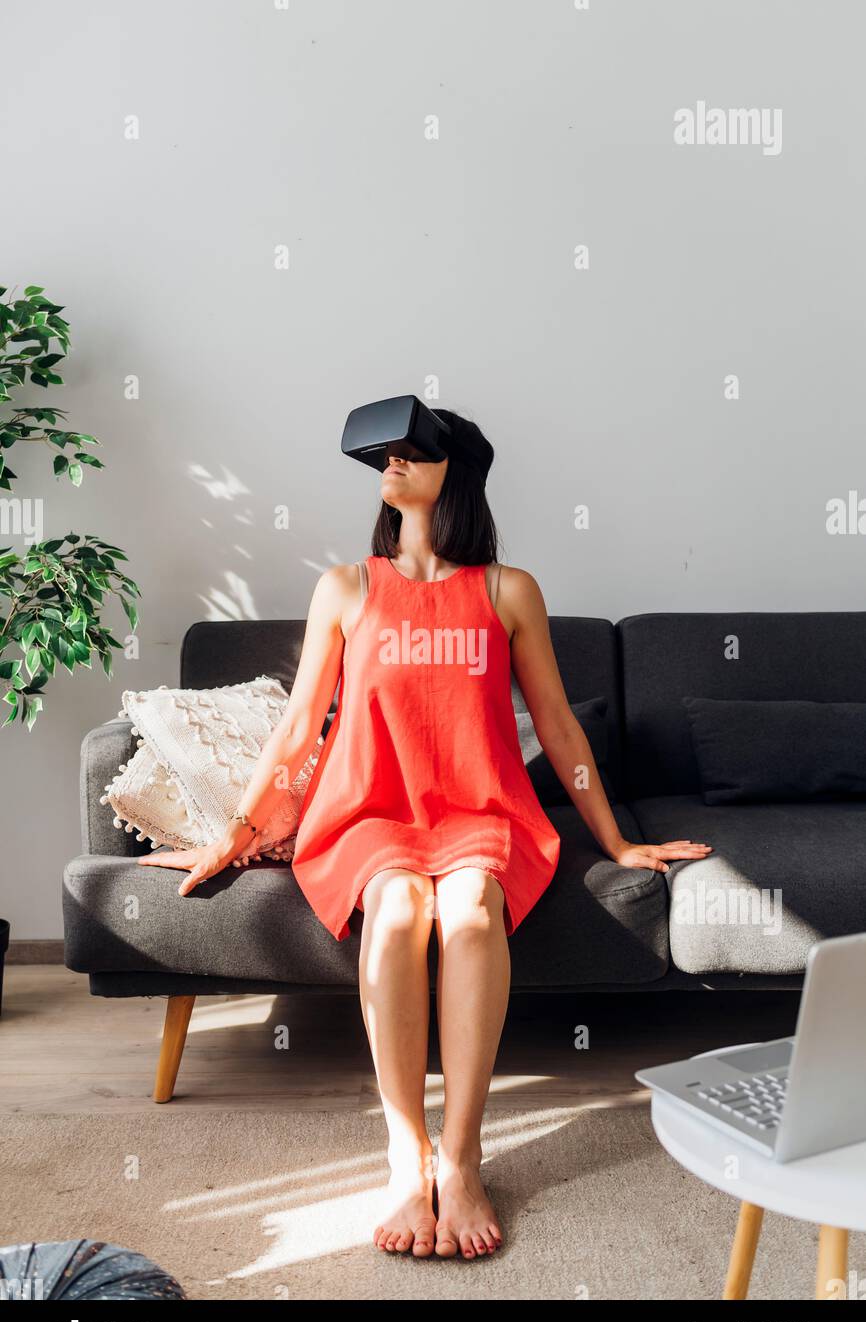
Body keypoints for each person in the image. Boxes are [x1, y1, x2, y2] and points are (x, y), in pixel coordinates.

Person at [140, 407, 712, 1260]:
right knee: (400, 911)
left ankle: (463, 1152)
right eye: (389, 455)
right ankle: (407, 1156)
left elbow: (556, 727)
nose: (394, 464)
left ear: (459, 471)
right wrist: (236, 833)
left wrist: (620, 844)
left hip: (480, 812)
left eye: (415, 453)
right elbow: (300, 731)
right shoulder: (346, 586)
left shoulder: (508, 590)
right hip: (369, 813)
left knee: (473, 908)